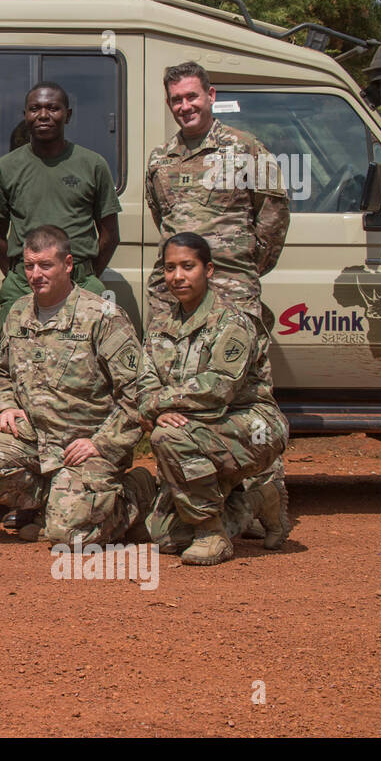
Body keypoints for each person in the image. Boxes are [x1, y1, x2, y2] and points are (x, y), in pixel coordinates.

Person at [0, 225, 155, 545]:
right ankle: (53, 507)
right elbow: (1, 372)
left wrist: (101, 443)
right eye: (29, 266)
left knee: (71, 538)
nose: (36, 274)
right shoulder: (18, 313)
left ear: (67, 264)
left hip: (86, 445)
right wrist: (4, 405)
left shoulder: (102, 317)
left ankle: (136, 492)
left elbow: (138, 393)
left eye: (45, 265)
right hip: (36, 442)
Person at [137, 232, 291, 566]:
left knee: (169, 436)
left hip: (253, 426)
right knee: (164, 537)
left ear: (208, 270)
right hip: (199, 429)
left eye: (187, 266)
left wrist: (161, 406)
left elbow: (218, 388)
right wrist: (156, 406)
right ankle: (252, 500)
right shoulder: (160, 326)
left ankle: (211, 535)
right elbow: (144, 386)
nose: (177, 276)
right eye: (170, 268)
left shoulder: (233, 321)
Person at [145, 62, 289, 325]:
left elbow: (273, 220)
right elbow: (162, 216)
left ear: (210, 95)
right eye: (177, 100)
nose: (185, 107)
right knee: (169, 365)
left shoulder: (248, 149)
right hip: (172, 296)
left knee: (231, 364)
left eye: (192, 97)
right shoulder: (159, 159)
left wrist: (239, 267)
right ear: (169, 104)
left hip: (230, 290)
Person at [0, 81, 120, 324]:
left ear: (67, 115)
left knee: (85, 359)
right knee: (18, 358)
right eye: (35, 108)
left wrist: (82, 273)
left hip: (81, 281)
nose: (43, 115)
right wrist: (22, 274)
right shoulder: (6, 167)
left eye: (53, 108)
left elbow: (110, 233)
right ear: (25, 115)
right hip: (23, 285)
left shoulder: (92, 164)